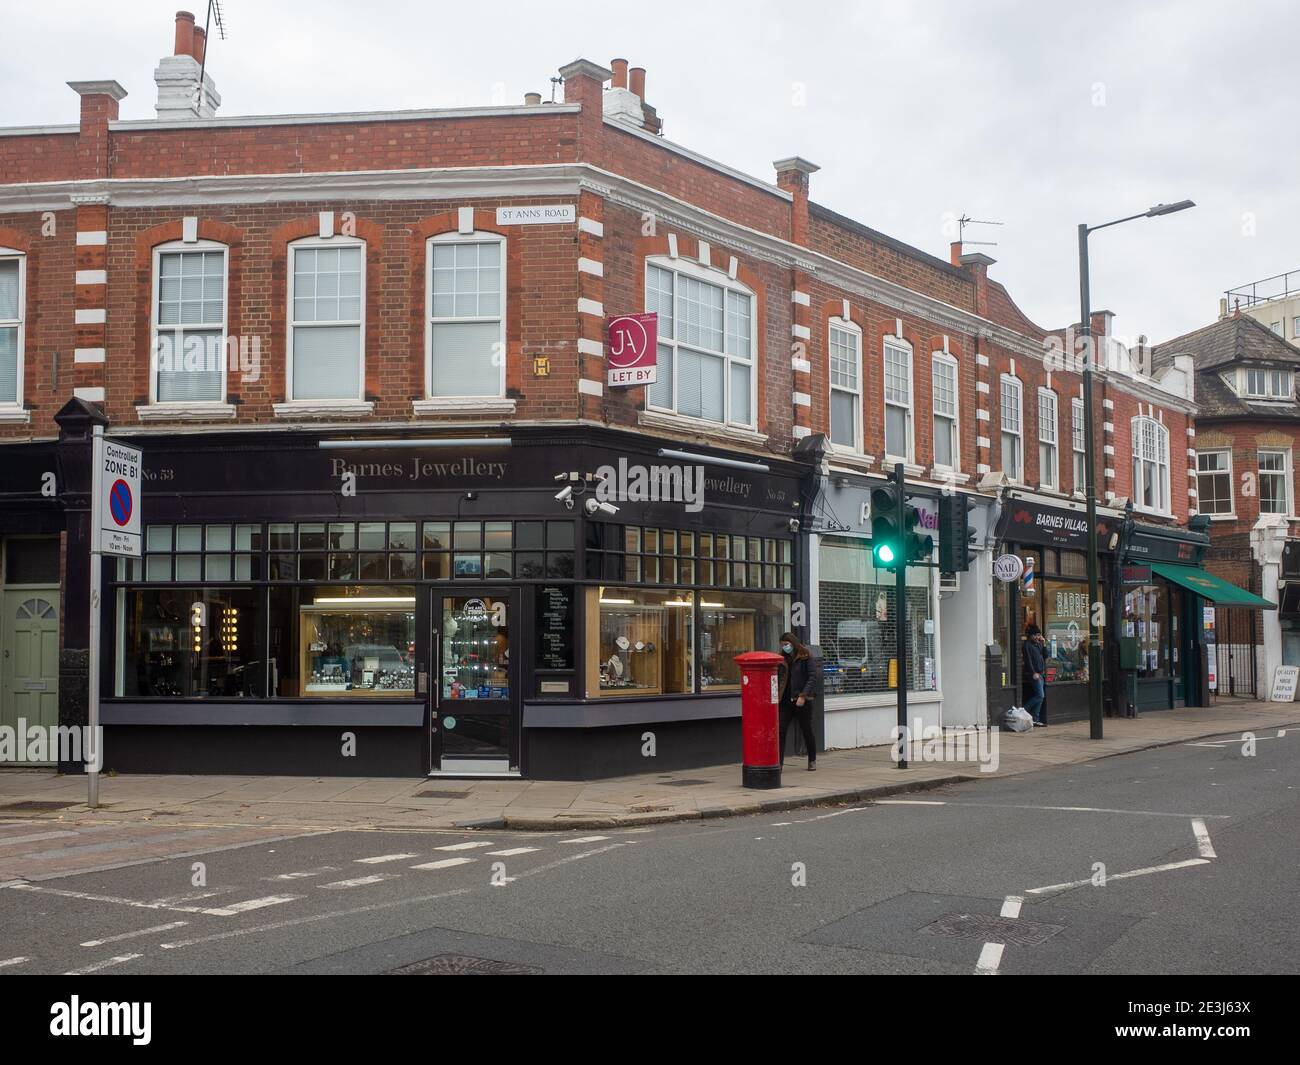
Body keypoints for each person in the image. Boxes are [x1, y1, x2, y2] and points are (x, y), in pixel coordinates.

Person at [778, 632, 817, 770]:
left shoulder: (805, 656)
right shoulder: (782, 658)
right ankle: (779, 764)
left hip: (801, 700)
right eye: (782, 645)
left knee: (806, 730)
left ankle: (812, 759)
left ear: (793, 643)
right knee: (780, 731)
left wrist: (803, 695)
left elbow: (812, 677)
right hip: (785, 701)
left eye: (786, 644)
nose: (784, 647)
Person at [1021, 624, 1047, 727]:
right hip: (1034, 674)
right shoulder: (1027, 645)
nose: (1037, 637)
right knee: (1040, 695)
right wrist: (1033, 673)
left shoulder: (1039, 644)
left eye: (1039, 635)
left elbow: (1045, 655)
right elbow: (1028, 660)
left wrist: (1044, 644)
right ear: (1030, 636)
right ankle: (1023, 710)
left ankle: (1035, 719)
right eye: (1035, 635)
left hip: (1041, 673)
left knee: (1040, 697)